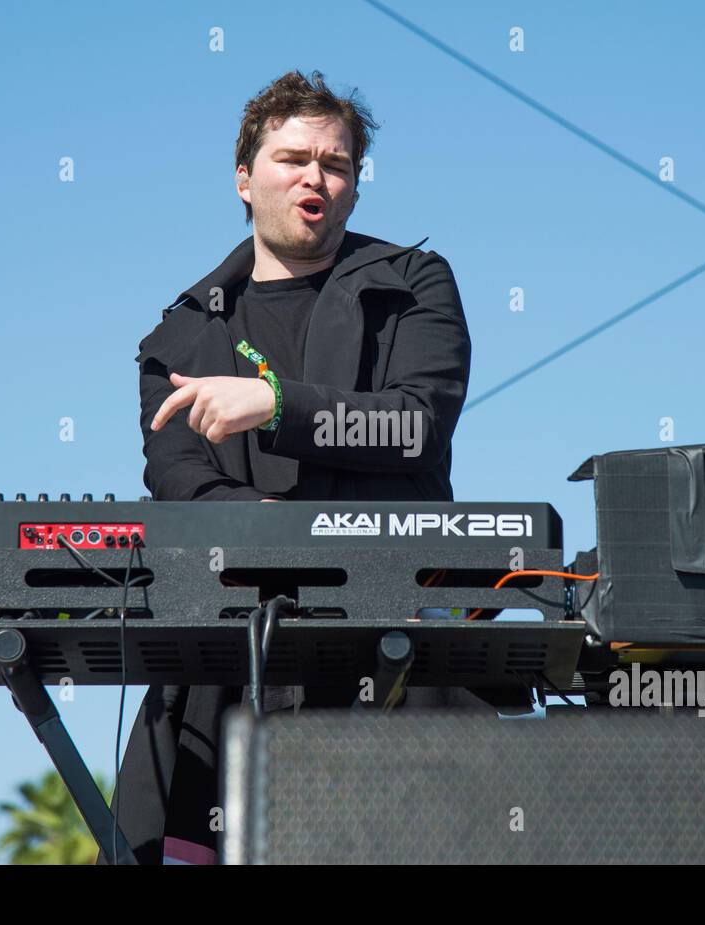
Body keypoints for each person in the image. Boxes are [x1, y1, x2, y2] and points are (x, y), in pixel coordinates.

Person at [112, 69, 527, 866]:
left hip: (397, 641)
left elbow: (415, 425)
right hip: (224, 666)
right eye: (293, 158)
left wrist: (272, 404)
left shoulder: (412, 285)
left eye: (336, 164)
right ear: (244, 177)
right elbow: (177, 479)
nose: (317, 178)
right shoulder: (175, 339)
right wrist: (261, 529)